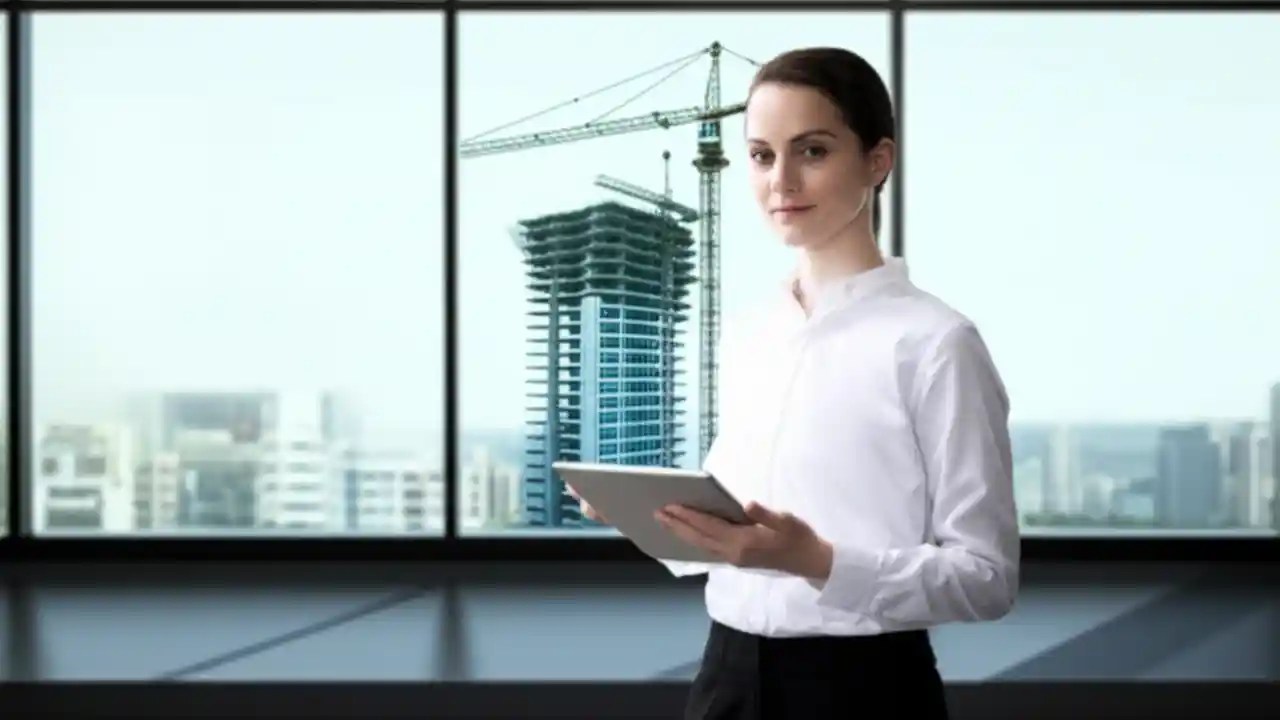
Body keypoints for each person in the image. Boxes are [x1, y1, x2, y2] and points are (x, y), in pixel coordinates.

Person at [571, 46, 1020, 720]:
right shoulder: (749, 332)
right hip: (725, 675)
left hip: (864, 689)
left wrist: (818, 560)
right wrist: (649, 516)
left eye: (812, 151)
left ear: (877, 161)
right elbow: (737, 537)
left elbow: (986, 578)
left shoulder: (935, 342)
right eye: (761, 155)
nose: (780, 181)